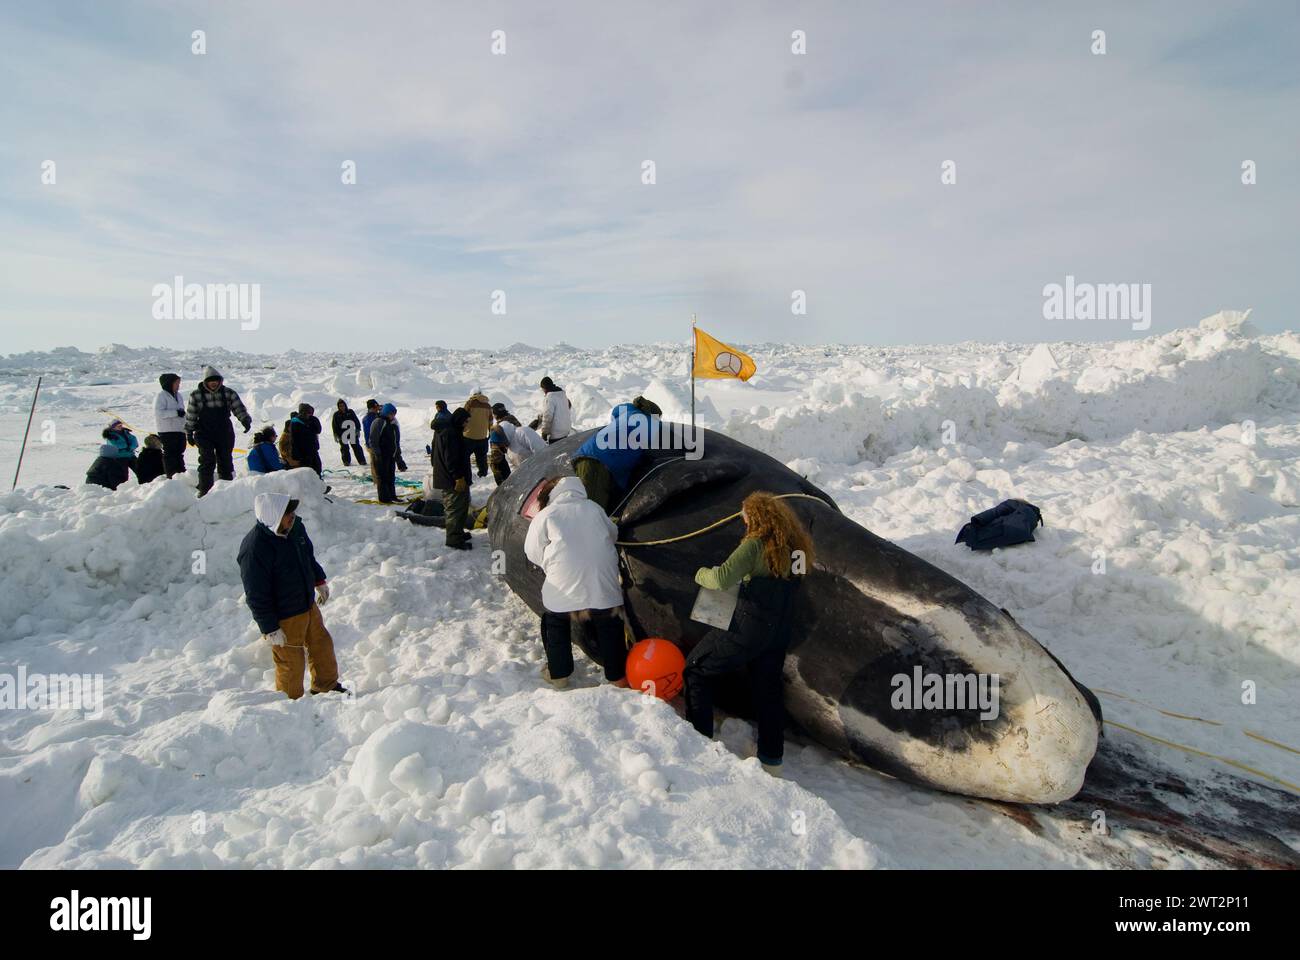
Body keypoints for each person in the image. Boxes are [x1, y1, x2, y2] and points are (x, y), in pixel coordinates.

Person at [683, 492, 814, 775]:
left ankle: (698, 746)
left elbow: (721, 579)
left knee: (696, 669)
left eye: (744, 515)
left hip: (749, 626)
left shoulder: (754, 545)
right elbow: (798, 578)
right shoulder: (797, 547)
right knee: (768, 691)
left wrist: (700, 573)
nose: (743, 521)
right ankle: (771, 760)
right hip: (779, 630)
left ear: (754, 517)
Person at [237, 493, 346, 700]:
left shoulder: (295, 529)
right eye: (288, 513)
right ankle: (290, 704)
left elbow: (307, 557)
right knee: (290, 662)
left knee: (321, 644)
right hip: (284, 615)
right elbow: (256, 595)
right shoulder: (255, 549)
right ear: (274, 516)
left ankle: (326, 685)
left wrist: (319, 580)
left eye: (293, 512)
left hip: (306, 604)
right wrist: (269, 628)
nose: (293, 517)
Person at [523, 476, 627, 688]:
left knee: (555, 623)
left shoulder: (546, 515)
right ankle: (618, 677)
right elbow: (613, 534)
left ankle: (559, 674)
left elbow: (531, 551)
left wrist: (551, 564)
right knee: (609, 625)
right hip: (603, 588)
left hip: (562, 590)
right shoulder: (594, 509)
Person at [571, 401, 658, 512]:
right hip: (598, 463)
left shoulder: (627, 416)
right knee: (592, 511)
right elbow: (662, 435)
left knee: (588, 506)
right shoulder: (645, 421)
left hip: (592, 458)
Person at [185, 365, 252, 496]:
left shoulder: (228, 393)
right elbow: (191, 415)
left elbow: (238, 407)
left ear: (220, 381)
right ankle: (205, 490)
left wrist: (245, 420)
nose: (214, 383)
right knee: (207, 460)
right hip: (204, 433)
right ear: (206, 382)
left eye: (216, 380)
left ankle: (226, 492)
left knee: (225, 460)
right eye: (211, 381)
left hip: (224, 432)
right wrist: (189, 432)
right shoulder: (196, 395)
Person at [432, 407, 473, 549]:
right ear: (459, 420)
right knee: (454, 509)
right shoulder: (450, 433)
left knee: (462, 506)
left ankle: (458, 532)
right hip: (452, 479)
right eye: (466, 422)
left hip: (452, 476)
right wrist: (458, 477)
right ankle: (454, 539)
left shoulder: (450, 430)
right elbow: (451, 459)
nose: (467, 425)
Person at [84, 420, 139, 489]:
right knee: (123, 473)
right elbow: (116, 445)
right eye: (118, 426)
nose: (120, 427)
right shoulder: (110, 435)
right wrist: (128, 446)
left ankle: (146, 481)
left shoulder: (126, 432)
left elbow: (135, 442)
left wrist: (129, 446)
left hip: (130, 455)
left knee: (140, 469)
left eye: (121, 425)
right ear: (113, 427)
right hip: (120, 457)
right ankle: (122, 487)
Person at [370, 402, 407, 504]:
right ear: (386, 412)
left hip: (391, 455)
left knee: (391, 476)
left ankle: (392, 496)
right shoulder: (378, 422)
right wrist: (377, 454)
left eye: (394, 414)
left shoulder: (393, 424)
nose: (393, 416)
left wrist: (398, 458)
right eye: (391, 413)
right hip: (381, 455)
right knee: (382, 477)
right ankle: (384, 498)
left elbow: (396, 442)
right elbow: (373, 440)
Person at [154, 373, 187, 477]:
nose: (178, 385)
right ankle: (172, 474)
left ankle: (181, 474)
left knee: (179, 453)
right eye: (176, 383)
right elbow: (159, 413)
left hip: (179, 429)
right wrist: (176, 413)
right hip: (167, 431)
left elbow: (182, 411)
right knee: (170, 454)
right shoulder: (161, 396)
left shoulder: (179, 395)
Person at [288, 403, 323, 477]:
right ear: (303, 412)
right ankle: (310, 487)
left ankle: (320, 485)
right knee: (308, 471)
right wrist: (296, 454)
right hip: (303, 453)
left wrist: (314, 419)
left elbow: (318, 430)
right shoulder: (295, 422)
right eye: (308, 412)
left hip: (313, 450)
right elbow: (294, 440)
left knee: (318, 468)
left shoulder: (310, 420)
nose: (310, 414)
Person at [463, 389, 492, 478]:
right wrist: (489, 433)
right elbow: (490, 421)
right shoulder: (488, 405)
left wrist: (462, 429)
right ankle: (483, 474)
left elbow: (463, 417)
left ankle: (466, 475)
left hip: (468, 436)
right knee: (482, 458)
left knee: (464, 457)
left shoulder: (470, 403)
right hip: (482, 436)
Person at [534, 377, 572, 442]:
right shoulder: (562, 394)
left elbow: (547, 416)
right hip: (566, 430)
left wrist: (544, 433)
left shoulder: (550, 397)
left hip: (557, 434)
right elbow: (569, 405)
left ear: (544, 388)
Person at [331, 399, 366, 467]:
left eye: (343, 405)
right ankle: (346, 461)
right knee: (344, 448)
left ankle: (362, 460)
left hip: (351, 432)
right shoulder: (336, 414)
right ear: (338, 407)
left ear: (345, 405)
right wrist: (335, 434)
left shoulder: (350, 412)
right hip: (342, 434)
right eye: (340, 406)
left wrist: (358, 429)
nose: (342, 407)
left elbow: (356, 420)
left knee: (356, 447)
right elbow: (334, 425)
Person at [361, 399, 381, 486]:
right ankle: (377, 481)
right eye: (376, 407)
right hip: (372, 444)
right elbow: (371, 433)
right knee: (375, 463)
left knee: (377, 462)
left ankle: (378, 479)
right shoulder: (369, 419)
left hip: (376, 443)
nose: (377, 409)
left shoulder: (375, 416)